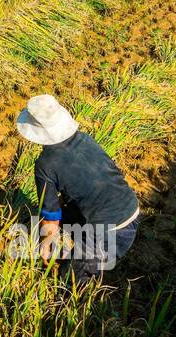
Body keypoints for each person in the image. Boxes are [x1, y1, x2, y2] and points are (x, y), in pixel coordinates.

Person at [15, 94, 140, 282]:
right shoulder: (85, 139)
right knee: (68, 216)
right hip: (133, 209)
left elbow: (50, 221)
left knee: (70, 279)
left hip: (112, 233)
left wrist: (46, 246)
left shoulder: (45, 164)